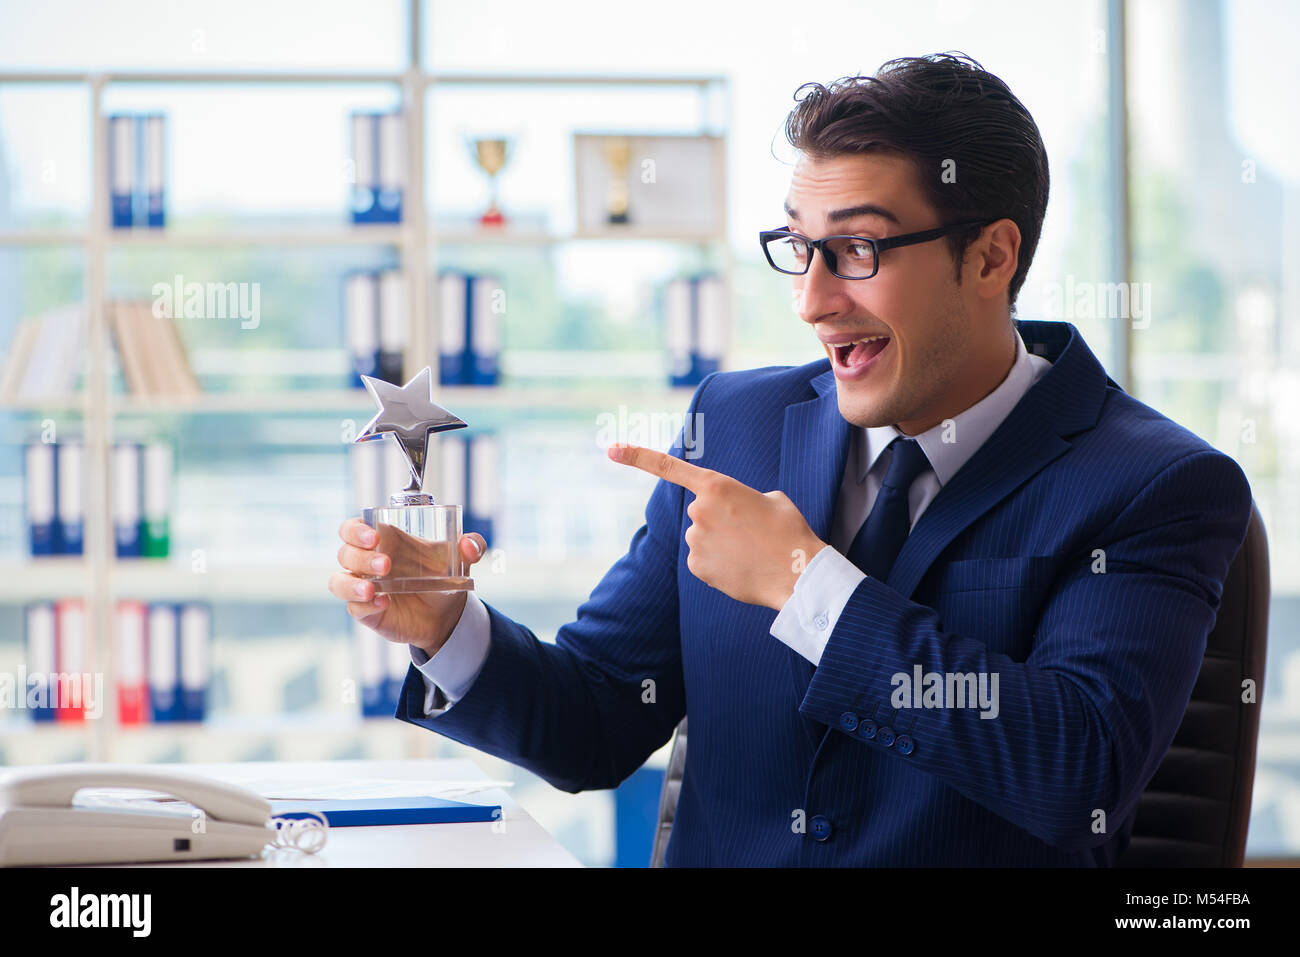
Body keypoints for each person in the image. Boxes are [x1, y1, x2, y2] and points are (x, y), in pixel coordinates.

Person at [329, 53, 1254, 865]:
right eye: (799, 248)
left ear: (991, 256)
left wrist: (806, 583)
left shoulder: (1155, 484)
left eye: (855, 248)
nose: (812, 300)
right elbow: (597, 720)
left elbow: (1076, 768)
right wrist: (445, 626)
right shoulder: (736, 423)